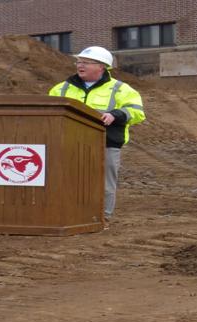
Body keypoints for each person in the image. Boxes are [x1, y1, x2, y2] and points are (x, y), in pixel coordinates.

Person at [49, 46, 145, 223]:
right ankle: (69, 214)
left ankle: (103, 217)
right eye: (79, 61)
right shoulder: (60, 89)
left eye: (86, 62)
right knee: (68, 179)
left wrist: (115, 115)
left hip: (106, 143)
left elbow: (138, 112)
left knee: (104, 183)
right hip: (69, 143)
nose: (80, 65)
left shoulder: (121, 89)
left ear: (101, 67)